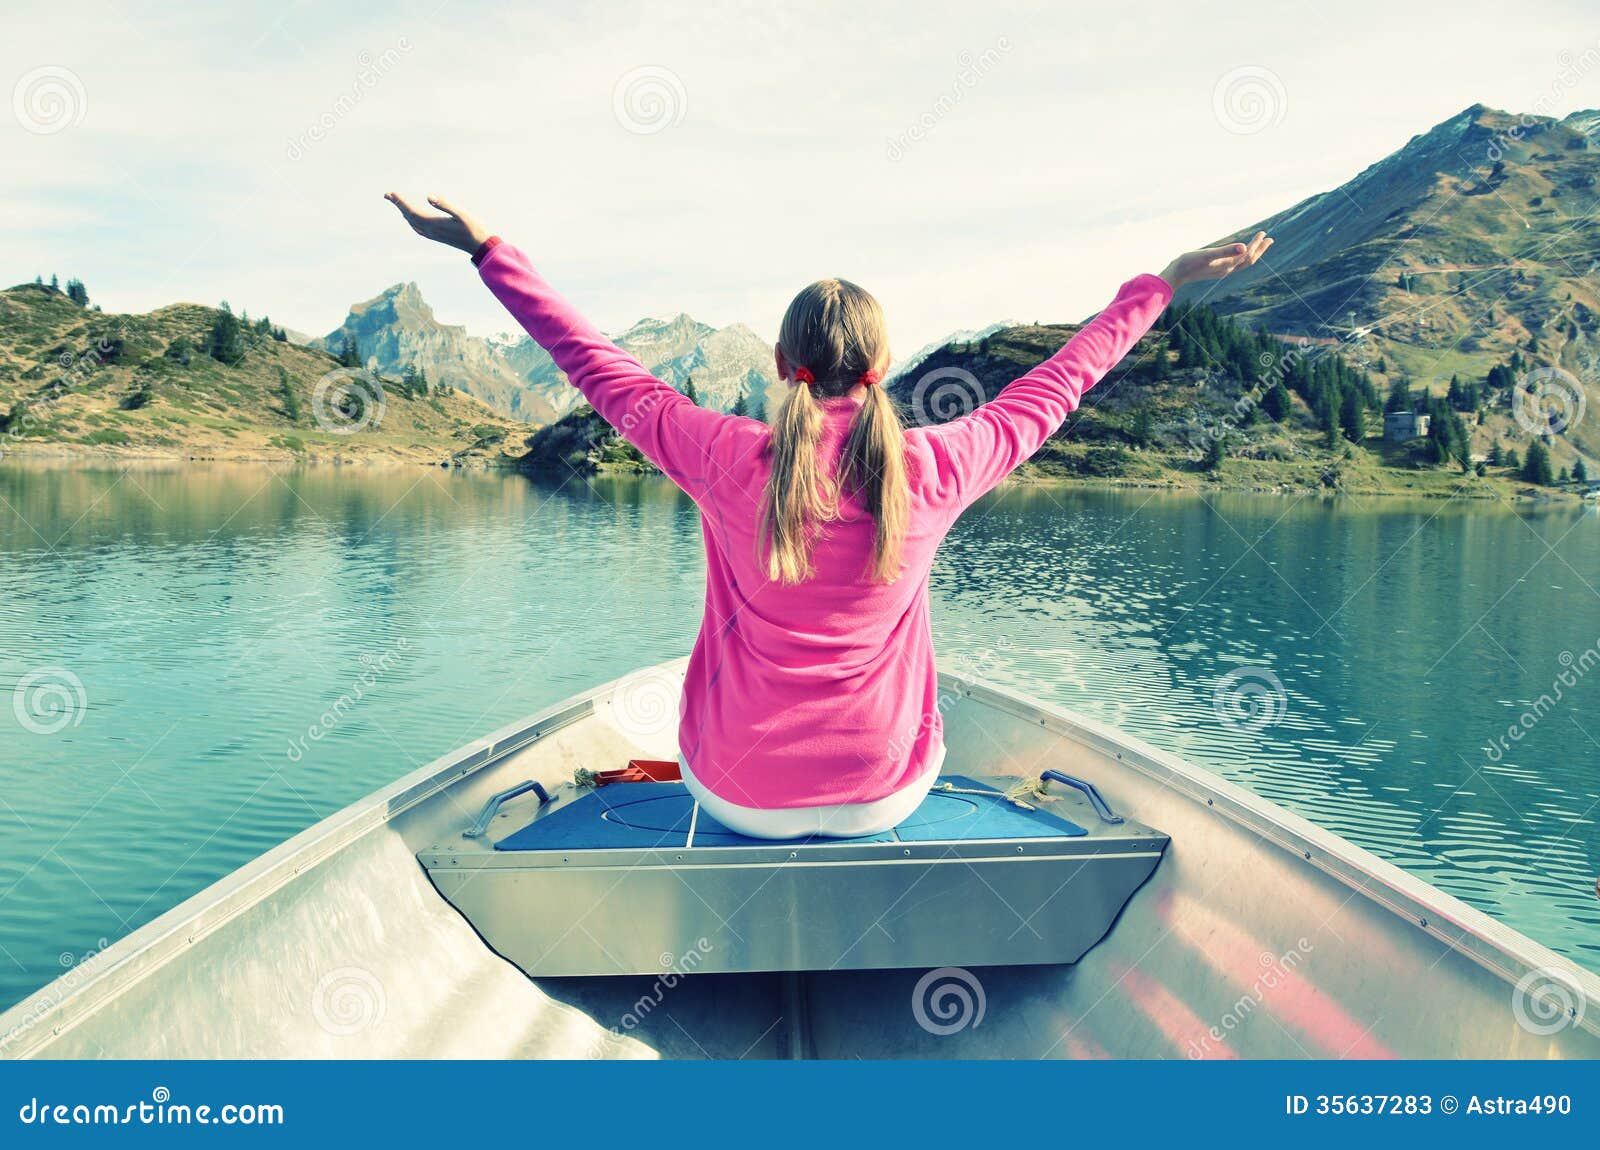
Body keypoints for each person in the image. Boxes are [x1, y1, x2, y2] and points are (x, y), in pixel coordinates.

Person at [386, 192, 1271, 839]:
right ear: (882, 365)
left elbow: (594, 363)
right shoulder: (937, 465)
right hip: (885, 793)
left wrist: (487, 250)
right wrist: (1163, 283)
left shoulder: (726, 455)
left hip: (734, 794)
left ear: (781, 362)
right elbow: (1061, 382)